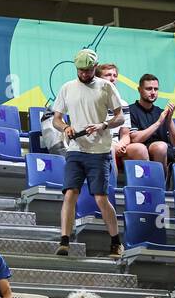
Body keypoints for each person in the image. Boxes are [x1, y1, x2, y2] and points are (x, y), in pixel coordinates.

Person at [52, 48, 124, 258]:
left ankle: (116, 242)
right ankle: (64, 241)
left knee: (101, 198)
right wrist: (65, 127)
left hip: (99, 150)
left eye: (87, 70)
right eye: (80, 70)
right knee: (70, 194)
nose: (84, 74)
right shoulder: (67, 88)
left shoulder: (106, 87)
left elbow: (119, 117)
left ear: (95, 68)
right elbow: (56, 118)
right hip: (76, 148)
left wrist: (103, 125)